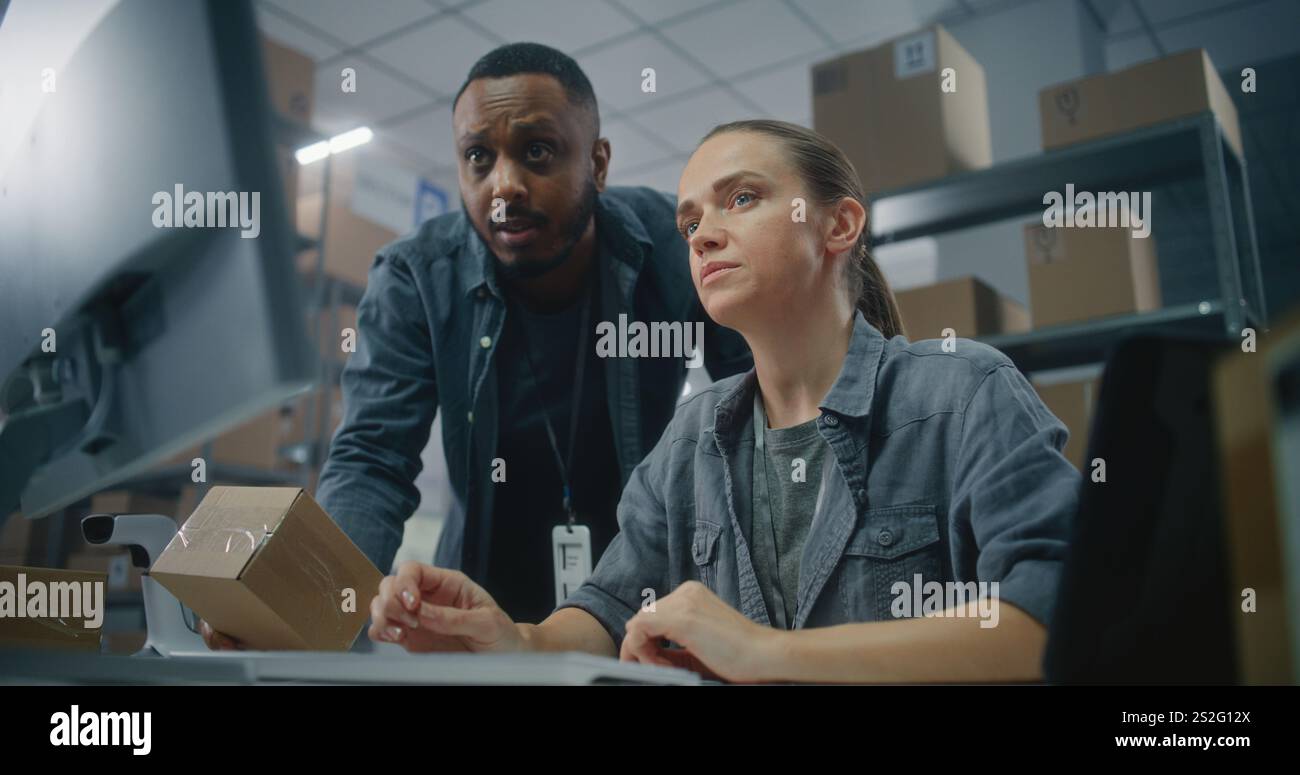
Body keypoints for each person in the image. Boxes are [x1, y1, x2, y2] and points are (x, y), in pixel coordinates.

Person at [364, 119, 1079, 683]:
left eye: (741, 198)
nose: (703, 234)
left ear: (838, 225)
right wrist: (508, 639)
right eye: (688, 221)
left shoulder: (962, 394)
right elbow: (603, 619)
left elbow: (1059, 617)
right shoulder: (692, 440)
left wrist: (762, 652)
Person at [198, 43, 751, 649]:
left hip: (638, 594)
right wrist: (308, 607)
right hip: (478, 605)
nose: (504, 185)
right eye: (478, 158)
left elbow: (753, 414)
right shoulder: (417, 278)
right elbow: (372, 463)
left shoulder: (674, 246)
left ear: (597, 163)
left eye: (537, 151)